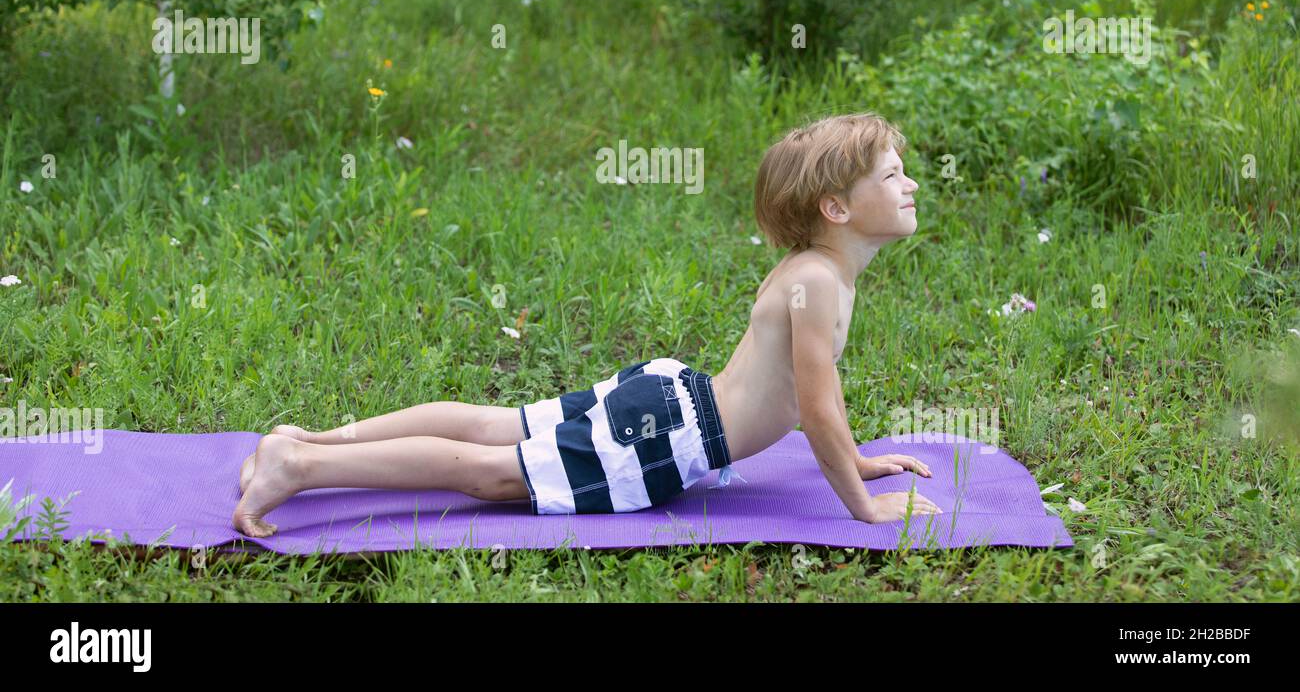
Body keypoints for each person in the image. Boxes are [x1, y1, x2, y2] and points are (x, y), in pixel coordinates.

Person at [233, 111, 942, 537]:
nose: (909, 184)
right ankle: (301, 464)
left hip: (669, 398)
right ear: (836, 209)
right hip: (674, 430)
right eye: (891, 175)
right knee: (492, 474)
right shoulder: (818, 282)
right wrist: (865, 506)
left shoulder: (819, 272)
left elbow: (815, 398)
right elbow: (815, 411)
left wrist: (857, 459)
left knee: (492, 425)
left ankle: (300, 441)